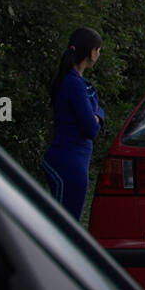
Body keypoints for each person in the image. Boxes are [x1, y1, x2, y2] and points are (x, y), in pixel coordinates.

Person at [42, 27, 105, 221]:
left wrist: (96, 113)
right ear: (92, 52)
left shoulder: (78, 83)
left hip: (74, 161)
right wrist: (99, 114)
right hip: (68, 162)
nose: (99, 54)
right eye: (99, 50)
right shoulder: (74, 84)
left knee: (69, 222)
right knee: (65, 224)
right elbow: (91, 128)